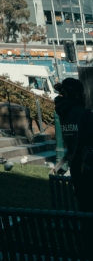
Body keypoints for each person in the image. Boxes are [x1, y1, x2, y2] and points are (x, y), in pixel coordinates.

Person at [54, 77, 93, 209]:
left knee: (84, 208)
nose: (85, 96)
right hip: (89, 170)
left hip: (76, 169)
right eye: (83, 93)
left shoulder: (64, 114)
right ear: (77, 94)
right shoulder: (85, 115)